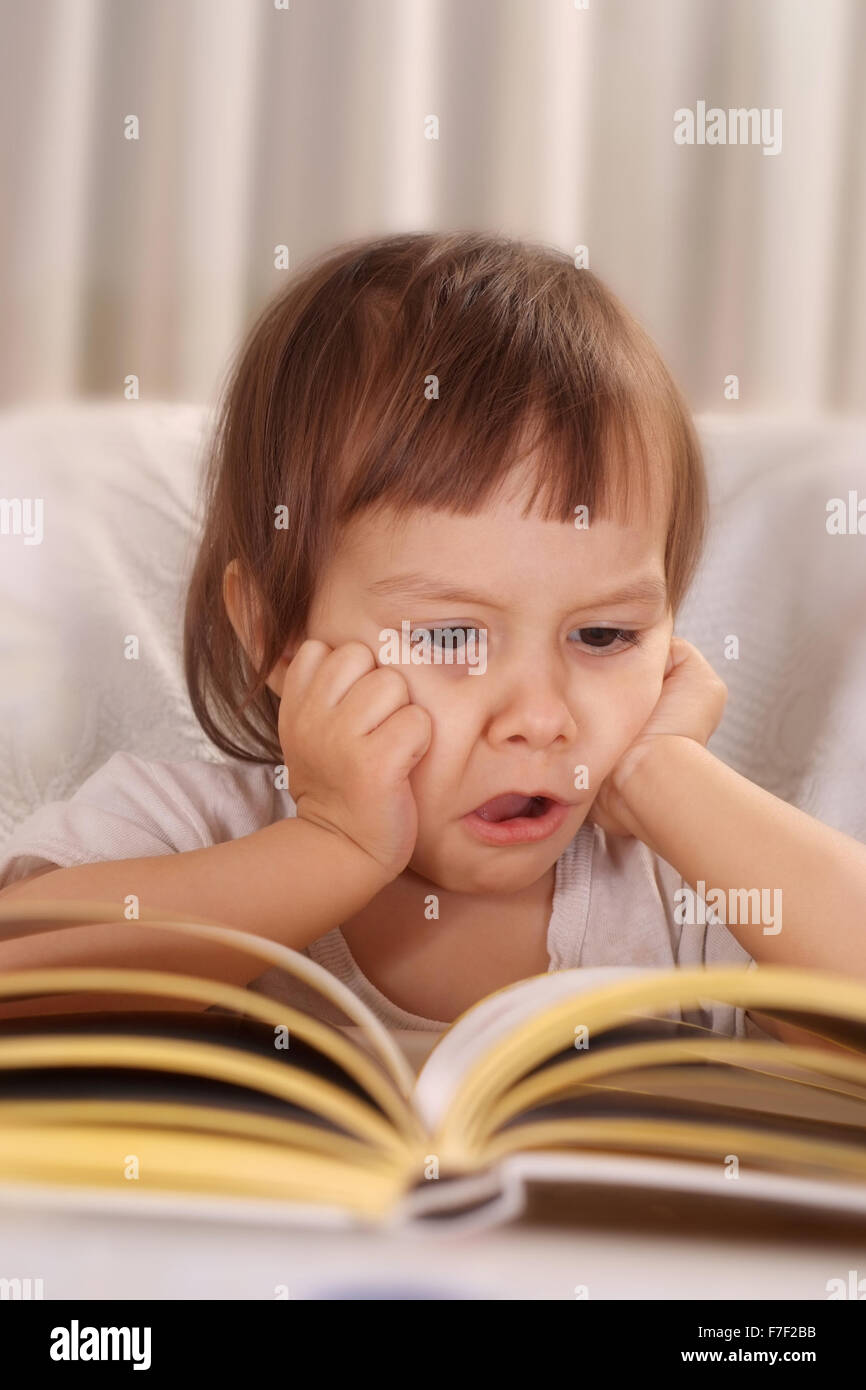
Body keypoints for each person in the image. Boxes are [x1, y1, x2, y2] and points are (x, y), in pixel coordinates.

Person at [2, 231, 862, 1043]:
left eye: (604, 635)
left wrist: (663, 777)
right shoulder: (192, 828)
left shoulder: (686, 885)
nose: (540, 717)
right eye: (452, 639)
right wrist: (332, 847)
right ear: (273, 633)